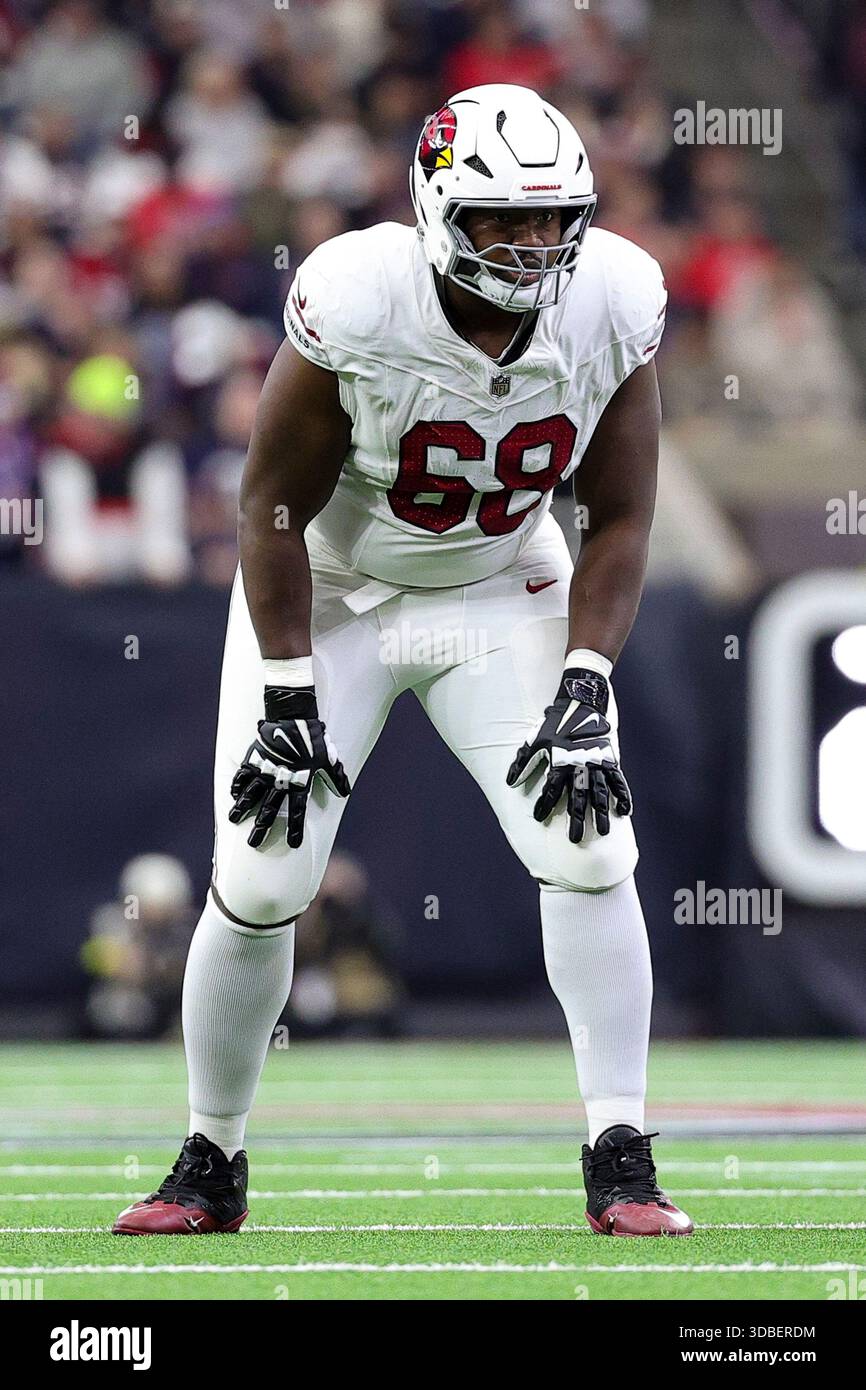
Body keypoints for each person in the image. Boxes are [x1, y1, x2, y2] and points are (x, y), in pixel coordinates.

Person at [113, 84, 692, 1239]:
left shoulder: (613, 299)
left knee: (586, 839)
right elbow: (270, 505)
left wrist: (585, 674)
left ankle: (619, 1154)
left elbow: (619, 515)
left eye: (552, 220)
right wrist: (287, 691)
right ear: (436, 211)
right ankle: (210, 1156)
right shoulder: (359, 297)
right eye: (503, 222)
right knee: (267, 874)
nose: (535, 247)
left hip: (499, 581)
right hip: (335, 589)